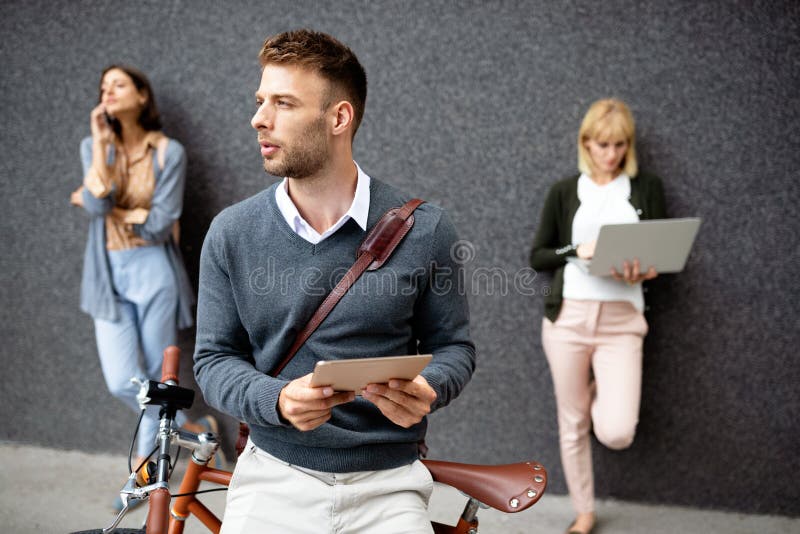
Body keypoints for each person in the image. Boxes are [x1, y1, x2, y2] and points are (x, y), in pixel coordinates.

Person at [193, 29, 475, 533]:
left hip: (389, 485)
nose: (259, 118)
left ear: (338, 117)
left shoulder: (427, 229)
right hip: (271, 476)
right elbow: (213, 361)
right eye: (261, 101)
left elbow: (454, 348)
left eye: (283, 103)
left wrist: (428, 387)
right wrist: (274, 400)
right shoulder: (230, 233)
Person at [70, 66, 217, 505]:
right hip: (107, 271)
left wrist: (103, 204)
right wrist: (99, 142)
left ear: (141, 94)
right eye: (102, 87)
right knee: (122, 380)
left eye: (118, 85)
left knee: (156, 376)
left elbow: (158, 224)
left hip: (154, 269)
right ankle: (188, 424)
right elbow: (98, 206)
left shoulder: (168, 152)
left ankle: (141, 478)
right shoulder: (93, 146)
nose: (107, 92)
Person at [529, 98, 666, 534]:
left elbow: (659, 249)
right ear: (586, 142)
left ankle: (586, 394)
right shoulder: (565, 191)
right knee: (571, 423)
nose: (611, 153)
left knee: (617, 431)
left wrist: (648, 267)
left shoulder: (646, 188)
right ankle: (584, 512)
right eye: (603, 144)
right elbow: (538, 255)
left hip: (622, 321)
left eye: (620, 144)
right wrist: (576, 251)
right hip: (568, 318)